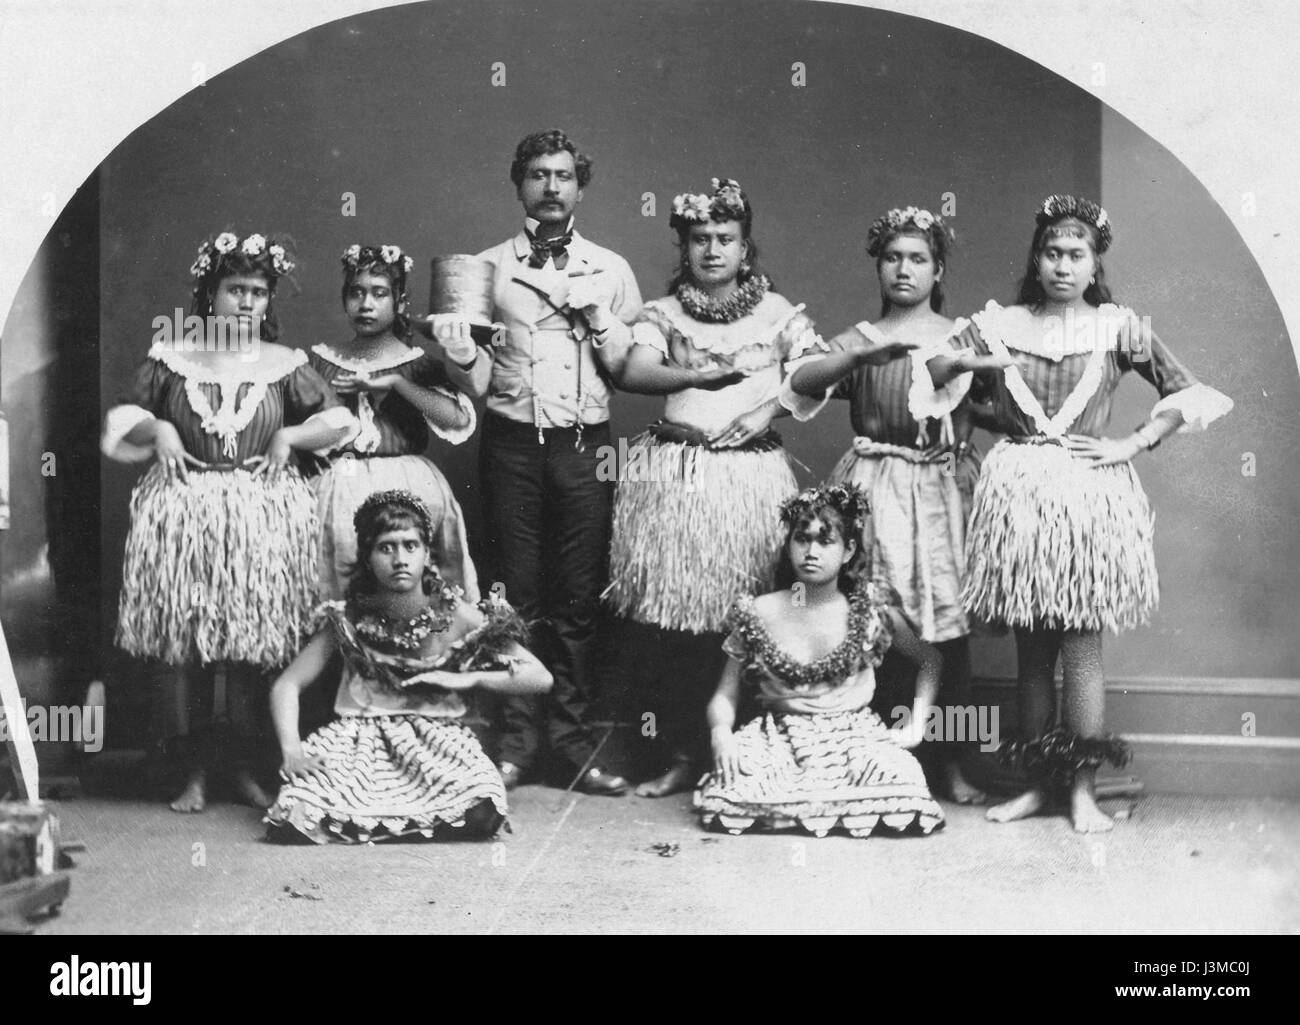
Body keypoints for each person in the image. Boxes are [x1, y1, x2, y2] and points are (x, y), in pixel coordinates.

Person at [926, 194, 1233, 832]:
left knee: (1082, 649)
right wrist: (971, 362)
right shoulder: (999, 323)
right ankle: (1040, 786)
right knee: (1031, 653)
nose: (1063, 266)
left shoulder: (1119, 327)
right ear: (1036, 260)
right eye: (1052, 253)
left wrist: (1134, 441)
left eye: (1076, 255)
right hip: (1017, 497)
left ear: (1095, 266)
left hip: (1090, 499)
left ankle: (1083, 792)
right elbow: (934, 371)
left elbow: (1190, 392)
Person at [101, 231, 354, 813]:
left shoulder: (286, 365)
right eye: (235, 289)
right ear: (209, 294)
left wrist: (292, 433)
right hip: (185, 512)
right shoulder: (172, 359)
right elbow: (122, 417)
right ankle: (190, 767)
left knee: (248, 641)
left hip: (260, 513)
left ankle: (241, 766)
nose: (247, 302)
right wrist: (158, 428)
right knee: (189, 643)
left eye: (259, 292)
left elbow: (338, 422)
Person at [606, 178, 827, 798]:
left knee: (751, 615)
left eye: (724, 239)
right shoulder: (662, 313)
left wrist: (769, 408)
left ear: (744, 247)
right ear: (684, 247)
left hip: (749, 479)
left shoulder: (780, 314)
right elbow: (634, 370)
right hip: (676, 475)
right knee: (680, 621)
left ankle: (752, 752)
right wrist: (701, 374)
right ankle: (684, 751)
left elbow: (816, 374)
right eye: (699, 239)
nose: (711, 251)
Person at [786, 206, 986, 803]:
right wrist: (858, 359)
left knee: (947, 624)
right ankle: (879, 762)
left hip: (942, 484)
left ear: (938, 268)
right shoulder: (861, 340)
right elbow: (802, 380)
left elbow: (1000, 400)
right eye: (892, 257)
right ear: (878, 267)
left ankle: (953, 764)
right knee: (879, 617)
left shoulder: (964, 336)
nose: (904, 269)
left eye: (917, 258)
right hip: (876, 485)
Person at [465, 129, 641, 795]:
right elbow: (473, 376)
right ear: (519, 185)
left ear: (580, 185)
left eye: (563, 175)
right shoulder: (485, 268)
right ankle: (515, 740)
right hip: (511, 445)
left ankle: (570, 741)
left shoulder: (611, 268)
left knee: (577, 597)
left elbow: (625, 366)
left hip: (583, 448)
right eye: (537, 174)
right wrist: (457, 353)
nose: (550, 186)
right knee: (515, 596)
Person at [265, 490, 550, 843]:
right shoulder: (351, 616)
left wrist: (469, 679)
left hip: (436, 742)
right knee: (296, 812)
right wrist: (292, 750)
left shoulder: (455, 613)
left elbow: (539, 676)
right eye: (386, 547)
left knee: (482, 806)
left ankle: (379, 825)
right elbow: (286, 685)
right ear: (367, 558)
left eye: (410, 546)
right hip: (360, 743)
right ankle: (398, 823)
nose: (400, 559)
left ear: (427, 554)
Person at [695, 484, 945, 837]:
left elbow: (930, 659)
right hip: (780, 740)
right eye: (802, 539)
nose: (811, 552)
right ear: (789, 544)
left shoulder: (870, 609)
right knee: (728, 790)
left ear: (848, 551)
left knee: (903, 782)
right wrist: (722, 733)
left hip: (856, 741)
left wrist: (917, 725)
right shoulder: (760, 611)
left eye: (826, 542)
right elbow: (725, 694)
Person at [309, 243, 479, 600]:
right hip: (341, 484)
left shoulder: (417, 364)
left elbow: (456, 417)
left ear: (399, 302)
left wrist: (398, 384)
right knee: (341, 574)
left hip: (410, 484)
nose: (366, 304)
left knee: (419, 581)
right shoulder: (322, 361)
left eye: (379, 294)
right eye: (356, 293)